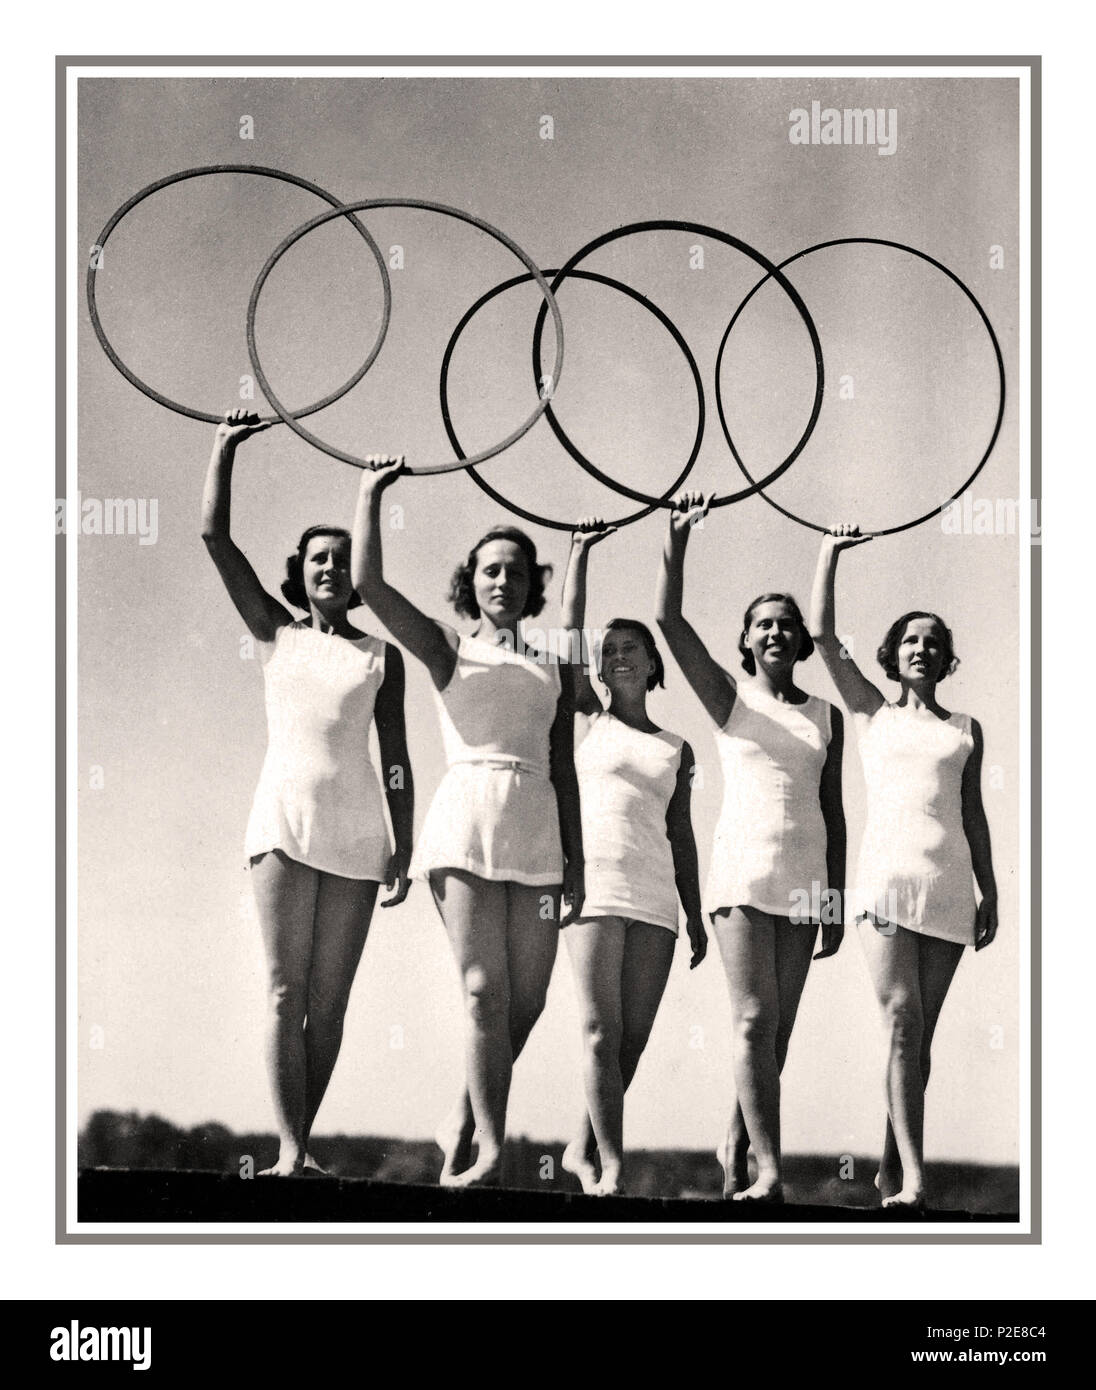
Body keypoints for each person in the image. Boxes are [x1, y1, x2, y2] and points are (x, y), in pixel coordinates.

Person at [352, 456, 584, 1188]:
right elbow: (369, 586)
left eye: (516, 571)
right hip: (465, 823)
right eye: (490, 571)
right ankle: (490, 1149)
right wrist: (370, 493)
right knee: (485, 991)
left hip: (537, 827)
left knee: (531, 999)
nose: (502, 582)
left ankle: (462, 1116)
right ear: (471, 581)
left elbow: (566, 766)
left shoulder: (553, 665)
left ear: (531, 584)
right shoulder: (448, 648)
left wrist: (576, 860)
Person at [201, 409, 413, 1178]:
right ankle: (291, 1152)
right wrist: (224, 448)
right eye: (318, 558)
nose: (330, 568)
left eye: (343, 559)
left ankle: (300, 1144)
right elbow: (215, 541)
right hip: (283, 823)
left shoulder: (380, 655)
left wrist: (405, 840)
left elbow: (396, 759)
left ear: (356, 578)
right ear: (302, 570)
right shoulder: (274, 633)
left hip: (359, 832)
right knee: (286, 993)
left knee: (331, 1007)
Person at [656, 492, 846, 1203]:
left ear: (801, 642)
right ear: (747, 640)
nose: (775, 633)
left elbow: (835, 811)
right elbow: (669, 623)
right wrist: (676, 540)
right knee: (752, 1020)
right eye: (762, 624)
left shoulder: (826, 716)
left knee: (778, 1036)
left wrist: (835, 897)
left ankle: (737, 1138)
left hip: (803, 878)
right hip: (740, 874)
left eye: (786, 625)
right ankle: (770, 1171)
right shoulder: (730, 699)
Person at [808, 522, 998, 1210]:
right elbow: (823, 636)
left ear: (946, 659)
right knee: (901, 1022)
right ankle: (916, 1180)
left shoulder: (967, 729)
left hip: (948, 889)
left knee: (922, 1041)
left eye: (935, 642)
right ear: (893, 654)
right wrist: (830, 551)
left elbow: (971, 812)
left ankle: (890, 1170)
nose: (923, 648)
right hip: (885, 887)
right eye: (911, 639)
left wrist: (991, 888)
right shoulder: (869, 712)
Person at [556, 519, 707, 1196]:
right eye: (608, 649)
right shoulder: (589, 717)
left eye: (631, 649)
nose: (617, 656)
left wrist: (697, 916)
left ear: (652, 664)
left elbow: (683, 836)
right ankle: (608, 1164)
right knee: (596, 1032)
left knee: (630, 1044)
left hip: (656, 899)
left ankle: (581, 1147)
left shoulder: (679, 747)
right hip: (591, 889)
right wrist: (579, 555)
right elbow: (565, 646)